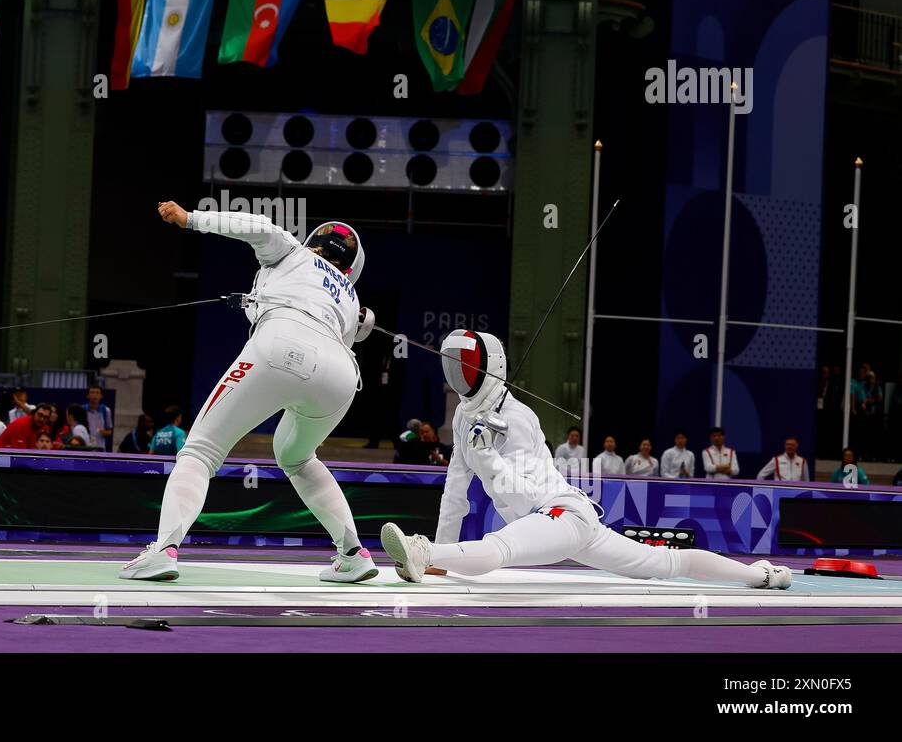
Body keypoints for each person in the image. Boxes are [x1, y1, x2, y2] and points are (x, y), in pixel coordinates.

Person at [379, 329, 792, 591]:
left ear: (490, 369)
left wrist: (488, 457)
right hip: (567, 523)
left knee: (497, 549)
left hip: (560, 513)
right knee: (661, 563)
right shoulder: (467, 416)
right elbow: (455, 492)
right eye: (456, 369)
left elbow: (523, 499)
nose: (459, 376)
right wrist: (449, 544)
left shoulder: (518, 420)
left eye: (466, 368)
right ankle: (758, 574)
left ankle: (423, 552)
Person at [122, 205, 378, 584]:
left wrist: (190, 218)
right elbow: (354, 333)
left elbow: (259, 226)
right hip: (341, 375)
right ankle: (355, 554)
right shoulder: (351, 298)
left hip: (283, 343)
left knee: (200, 450)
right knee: (296, 455)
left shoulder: (293, 252)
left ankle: (162, 551)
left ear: (314, 243)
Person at [84, 384, 113, 450]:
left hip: (100, 448)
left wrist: (102, 432)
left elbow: (109, 431)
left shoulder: (106, 410)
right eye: (92, 392)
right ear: (88, 396)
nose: (95, 395)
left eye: (97, 393)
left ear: (101, 396)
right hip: (85, 447)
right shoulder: (82, 409)